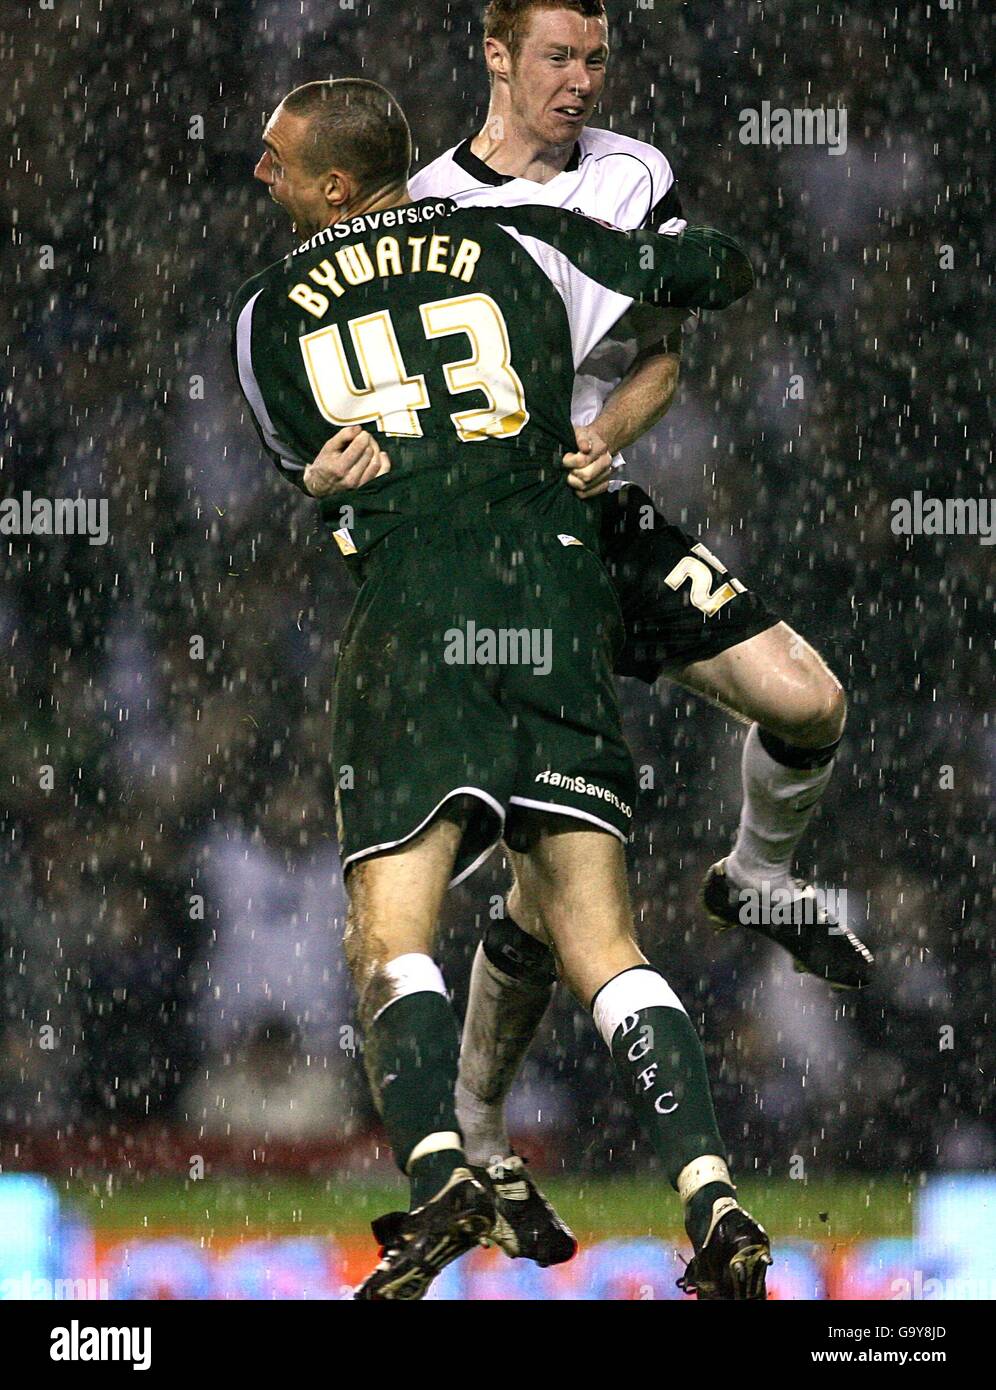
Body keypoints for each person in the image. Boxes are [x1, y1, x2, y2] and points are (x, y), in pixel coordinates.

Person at [304, 0, 873, 1269]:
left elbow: (664, 347)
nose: (580, 82)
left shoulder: (633, 174)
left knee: (809, 702)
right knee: (545, 855)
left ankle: (757, 877)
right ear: (494, 55)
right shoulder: (427, 206)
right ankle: (483, 1135)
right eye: (558, 57)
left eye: (597, 60)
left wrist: (611, 433)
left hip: (598, 513)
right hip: (491, 557)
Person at [233, 76, 771, 1299]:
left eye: (274, 160)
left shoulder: (265, 313)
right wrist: (668, 272)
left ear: (330, 184)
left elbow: (315, 470)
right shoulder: (515, 238)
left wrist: (326, 487)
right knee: (603, 938)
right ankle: (710, 1189)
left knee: (390, 933)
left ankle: (440, 1172)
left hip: (420, 614)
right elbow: (709, 275)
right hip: (557, 597)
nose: (256, 173)